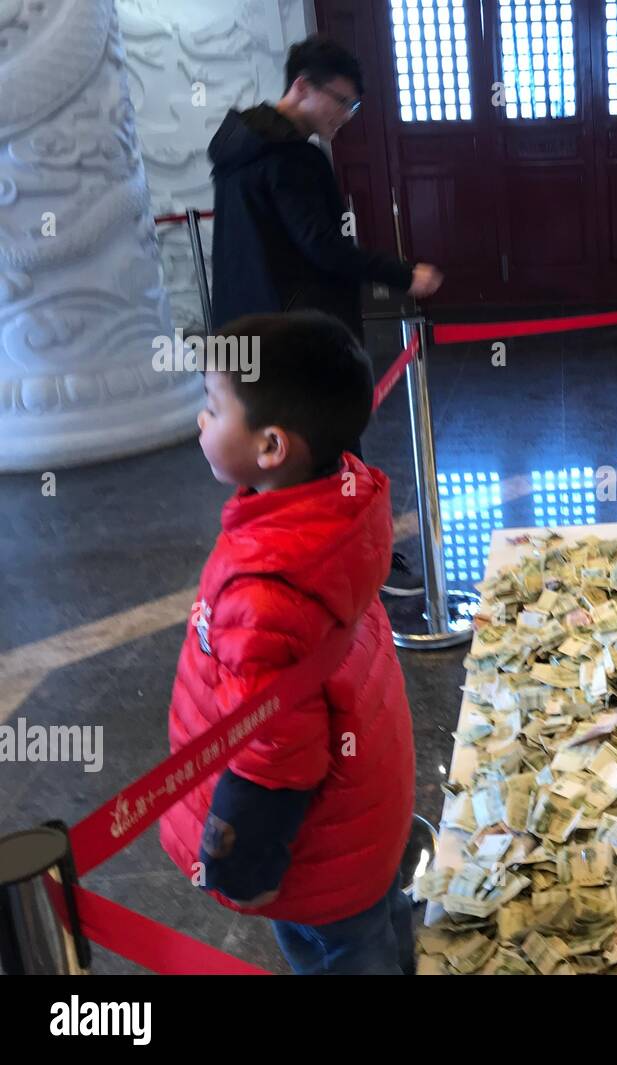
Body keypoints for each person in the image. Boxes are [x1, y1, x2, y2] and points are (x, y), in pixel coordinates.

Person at [160, 312, 417, 975]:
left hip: (317, 855)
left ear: (272, 445)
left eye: (212, 408)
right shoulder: (342, 498)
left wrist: (240, 864)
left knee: (344, 955)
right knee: (381, 925)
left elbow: (272, 754)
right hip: (367, 817)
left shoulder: (266, 590)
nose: (200, 421)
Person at [206, 34, 442, 344]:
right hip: (295, 332)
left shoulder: (240, 146)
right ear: (302, 86)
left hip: (239, 327)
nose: (346, 115)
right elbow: (322, 247)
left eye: (353, 106)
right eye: (341, 101)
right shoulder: (292, 156)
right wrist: (403, 275)